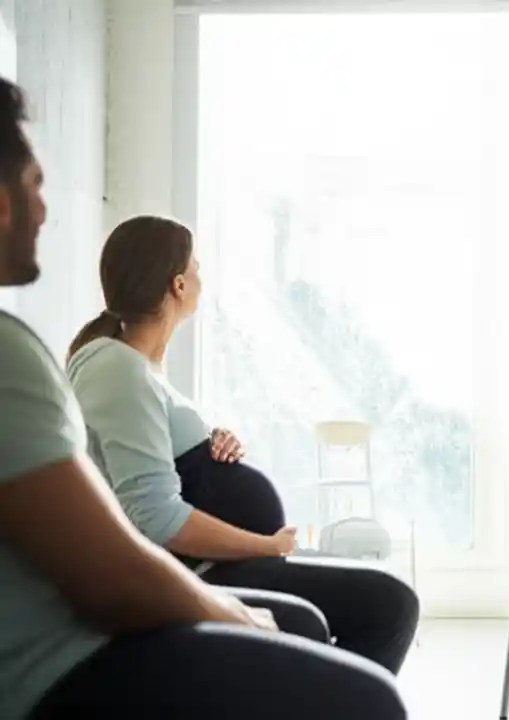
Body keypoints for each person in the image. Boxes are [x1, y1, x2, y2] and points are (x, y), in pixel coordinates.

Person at [0, 76, 406, 719]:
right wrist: (241, 589)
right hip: (65, 662)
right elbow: (131, 548)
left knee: (352, 616)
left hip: (89, 633)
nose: (45, 211)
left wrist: (209, 449)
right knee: (367, 678)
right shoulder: (53, 360)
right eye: (36, 186)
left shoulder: (120, 366)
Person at [65, 214, 420, 674]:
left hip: (219, 565)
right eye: (196, 267)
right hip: (203, 572)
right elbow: (154, 517)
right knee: (388, 606)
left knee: (386, 603)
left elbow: (165, 464)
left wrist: (209, 441)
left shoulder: (136, 369)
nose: (200, 277)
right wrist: (263, 545)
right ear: (177, 285)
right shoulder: (117, 369)